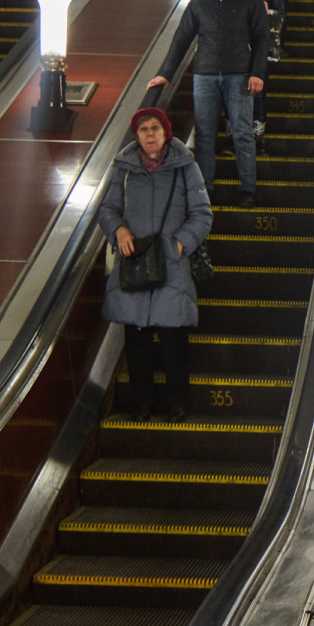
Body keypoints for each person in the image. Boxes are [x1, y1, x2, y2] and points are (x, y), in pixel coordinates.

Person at [99, 106, 213, 423]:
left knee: (173, 337)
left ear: (166, 132)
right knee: (137, 338)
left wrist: (179, 244)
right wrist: (118, 229)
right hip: (135, 262)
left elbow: (203, 214)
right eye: (144, 130)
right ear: (136, 136)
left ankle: (178, 402)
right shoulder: (123, 168)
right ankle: (142, 403)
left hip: (171, 264)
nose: (150, 135)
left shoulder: (185, 167)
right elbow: (107, 210)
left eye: (155, 128)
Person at [145, 0, 269, 207]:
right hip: (205, 76)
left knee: (243, 134)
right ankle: (205, 189)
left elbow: (261, 40)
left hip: (240, 75)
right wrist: (165, 74)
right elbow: (180, 41)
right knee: (204, 134)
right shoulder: (198, 4)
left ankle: (248, 189)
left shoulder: (250, 1)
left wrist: (257, 73)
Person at [237, 0, 286, 154]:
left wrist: (267, 13)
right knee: (238, 92)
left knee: (259, 93)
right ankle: (236, 138)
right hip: (238, 47)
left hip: (264, 47)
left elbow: (281, 14)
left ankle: (258, 138)